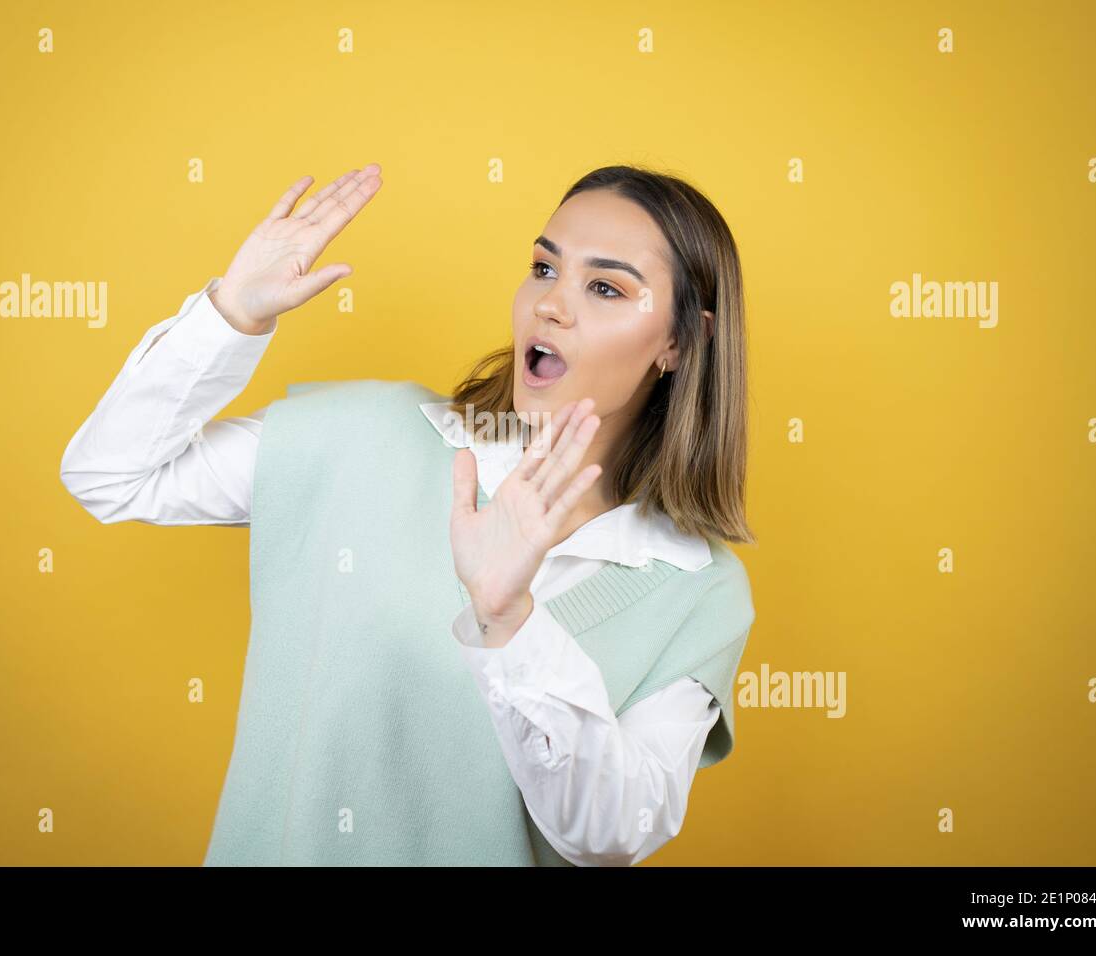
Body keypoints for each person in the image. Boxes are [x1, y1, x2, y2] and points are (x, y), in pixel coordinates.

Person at [60, 162, 756, 866]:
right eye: (543, 269)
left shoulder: (698, 590)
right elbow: (111, 475)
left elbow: (609, 837)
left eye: (605, 287)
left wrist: (507, 617)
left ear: (680, 340)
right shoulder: (368, 435)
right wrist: (230, 313)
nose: (551, 305)